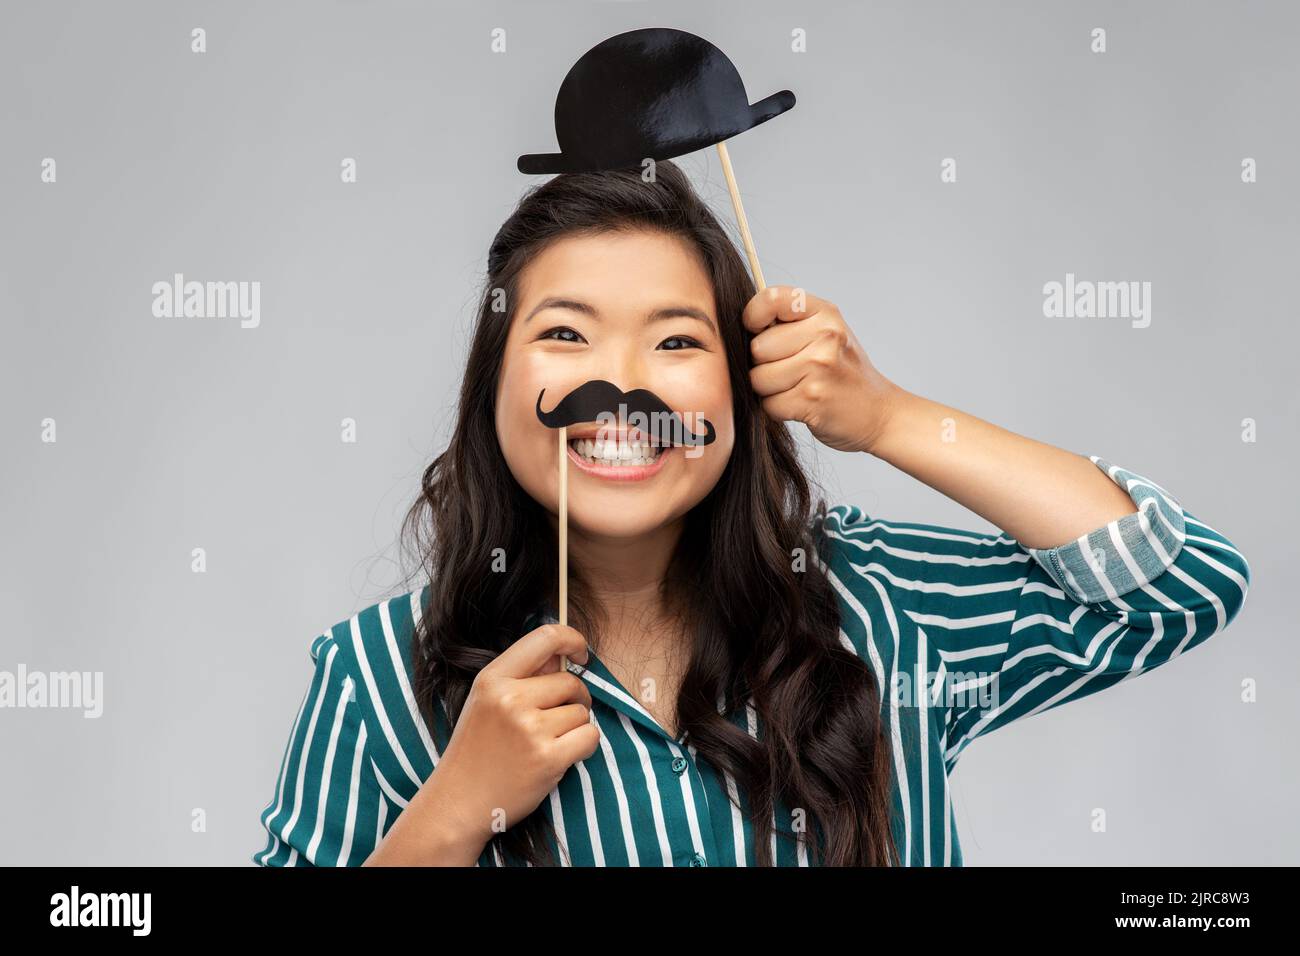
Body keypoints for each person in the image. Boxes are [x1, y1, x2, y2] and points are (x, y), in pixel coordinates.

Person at [252, 161, 1250, 867]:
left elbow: (1179, 587)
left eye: (676, 341)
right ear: (493, 385)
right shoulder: (381, 676)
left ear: (744, 387)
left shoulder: (878, 605)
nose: (619, 385)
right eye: (565, 332)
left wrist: (890, 416)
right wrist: (452, 812)